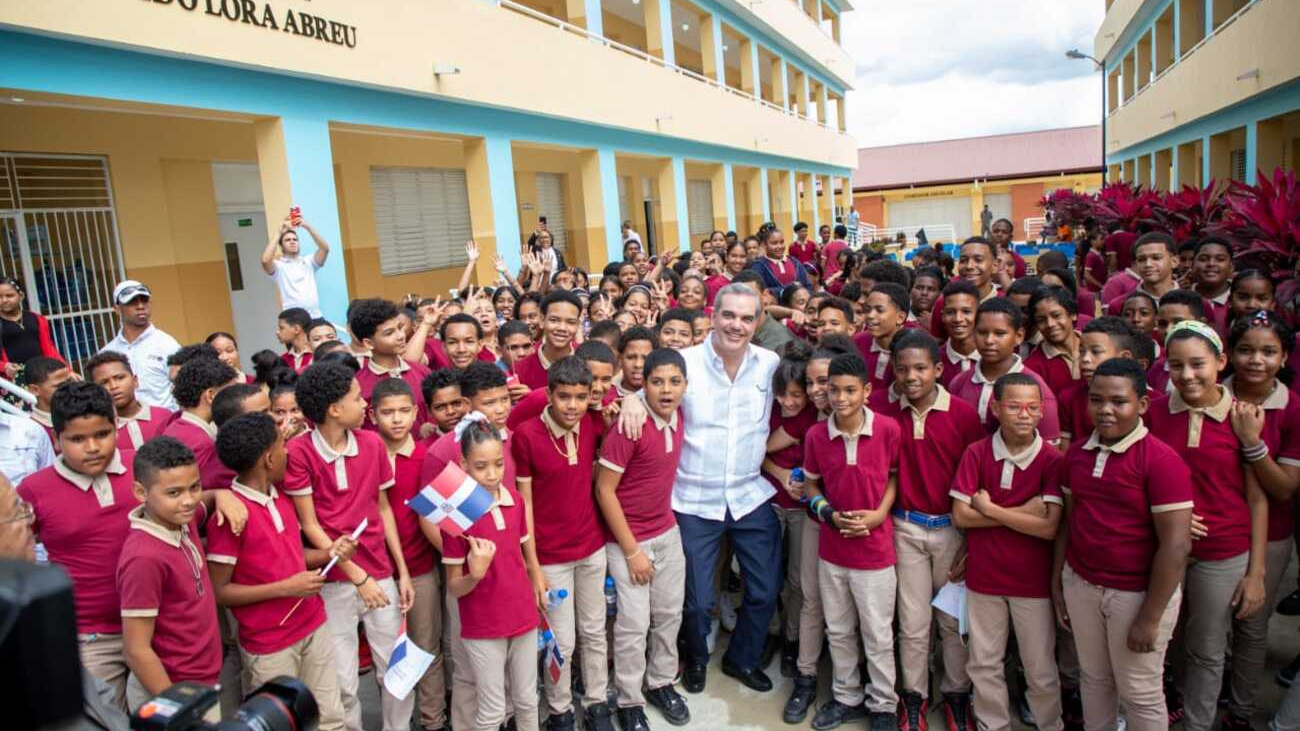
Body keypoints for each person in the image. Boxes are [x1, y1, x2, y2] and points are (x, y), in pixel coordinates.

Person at [620, 282, 782, 695]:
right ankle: (694, 659)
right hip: (692, 500)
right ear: (712, 315)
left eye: (748, 318)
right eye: (729, 315)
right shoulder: (685, 362)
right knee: (692, 602)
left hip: (749, 495)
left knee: (764, 591)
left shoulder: (770, 364)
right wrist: (631, 401)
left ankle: (742, 659)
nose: (737, 325)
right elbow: (645, 393)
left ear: (759, 321)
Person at [1054, 357, 1192, 731]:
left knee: (1139, 692)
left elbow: (1176, 546)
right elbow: (1069, 521)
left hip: (1136, 595)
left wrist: (1149, 618)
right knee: (1094, 681)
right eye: (1096, 400)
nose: (1105, 410)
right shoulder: (1078, 454)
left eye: (1118, 401)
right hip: (1082, 584)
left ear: (1142, 405)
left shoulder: (1162, 461)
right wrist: (1060, 585)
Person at [1148, 321, 1267, 731]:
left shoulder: (1242, 418)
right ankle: (1172, 705)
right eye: (1176, 365)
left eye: (1198, 364)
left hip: (1224, 552)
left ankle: (1199, 723)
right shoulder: (1155, 413)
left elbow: (1257, 497)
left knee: (1207, 647)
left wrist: (1257, 572)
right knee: (1168, 640)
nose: (1187, 375)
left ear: (1220, 362)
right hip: (1165, 549)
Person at [285, 361, 415, 731]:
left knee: (395, 670)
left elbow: (383, 509)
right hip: (333, 582)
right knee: (342, 679)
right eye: (357, 398)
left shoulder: (372, 443)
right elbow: (309, 524)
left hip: (380, 573)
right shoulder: (299, 453)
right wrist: (357, 576)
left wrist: (400, 571)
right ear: (334, 409)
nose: (365, 403)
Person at [208, 412, 352, 731]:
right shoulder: (231, 517)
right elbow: (220, 591)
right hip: (269, 644)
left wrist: (329, 553)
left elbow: (292, 556)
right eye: (282, 446)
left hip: (312, 625)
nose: (288, 452)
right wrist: (287, 587)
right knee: (281, 723)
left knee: (330, 716)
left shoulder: (281, 497)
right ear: (268, 459)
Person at [878, 330, 985, 731]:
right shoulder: (886, 413)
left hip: (952, 531)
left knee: (952, 619)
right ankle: (914, 696)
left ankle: (956, 694)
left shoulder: (962, 414)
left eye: (921, 368)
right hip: (906, 527)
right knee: (912, 620)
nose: (911, 376)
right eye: (902, 369)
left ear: (938, 369)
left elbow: (975, 480)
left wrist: (971, 540)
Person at [19, 381, 142, 709]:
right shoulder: (34, 490)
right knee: (103, 718)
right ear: (57, 440)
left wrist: (219, 497)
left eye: (102, 434)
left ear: (116, 427)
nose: (92, 447)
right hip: (90, 637)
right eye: (77, 439)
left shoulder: (143, 467)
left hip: (154, 624)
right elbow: (16, 557)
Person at [951, 373, 1064, 731]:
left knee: (1040, 667)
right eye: (1014, 406)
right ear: (996, 408)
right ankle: (991, 724)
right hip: (984, 576)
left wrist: (992, 509)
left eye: (1033, 407)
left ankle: (1050, 725)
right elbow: (961, 515)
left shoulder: (1051, 459)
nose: (1024, 414)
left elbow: (1048, 527)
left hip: (1033, 582)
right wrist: (1024, 513)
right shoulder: (977, 452)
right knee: (984, 662)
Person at [798, 352, 900, 731]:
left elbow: (894, 477)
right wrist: (829, 514)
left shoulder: (888, 429)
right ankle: (846, 696)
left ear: (867, 391)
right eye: (834, 390)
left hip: (875, 551)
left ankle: (884, 705)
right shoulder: (816, 434)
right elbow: (811, 485)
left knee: (877, 631)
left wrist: (878, 515)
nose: (840, 398)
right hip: (833, 547)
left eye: (850, 391)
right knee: (838, 629)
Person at [512, 356, 613, 731]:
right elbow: (525, 505)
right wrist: (533, 566)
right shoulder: (526, 436)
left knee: (594, 631)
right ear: (549, 395)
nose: (573, 405)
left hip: (591, 547)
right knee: (561, 642)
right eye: (564, 396)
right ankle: (560, 709)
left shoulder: (591, 423)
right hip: (551, 558)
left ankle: (598, 700)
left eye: (581, 397)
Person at [1221, 311, 1300, 730]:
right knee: (1209, 623)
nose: (1255, 360)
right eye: (1246, 350)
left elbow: (1284, 487)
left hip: (1271, 533)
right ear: (1229, 354)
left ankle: (1241, 709)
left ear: (1284, 358)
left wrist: (1252, 444)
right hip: (1216, 528)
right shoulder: (1211, 395)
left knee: (1252, 624)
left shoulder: (1292, 409)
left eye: (1268, 351)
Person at [443, 416, 541, 731]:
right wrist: (475, 573)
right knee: (491, 710)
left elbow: (526, 558)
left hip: (523, 617)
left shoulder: (515, 501)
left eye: (498, 464)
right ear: (463, 464)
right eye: (481, 466)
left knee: (527, 701)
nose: (492, 474)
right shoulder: (457, 515)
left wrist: (538, 585)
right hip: (483, 625)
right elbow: (455, 587)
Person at [118, 438, 223, 715]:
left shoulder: (181, 520)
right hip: (173, 690)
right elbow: (136, 649)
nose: (189, 500)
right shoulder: (144, 557)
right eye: (174, 493)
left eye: (195, 487)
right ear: (141, 492)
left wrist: (224, 495)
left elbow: (206, 502)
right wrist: (177, 707)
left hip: (203, 681)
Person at [367, 378, 447, 731]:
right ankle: (398, 720)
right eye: (387, 412)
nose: (396, 419)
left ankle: (433, 721)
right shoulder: (367, 455)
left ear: (417, 412)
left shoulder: (430, 454)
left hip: (421, 569)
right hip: (376, 573)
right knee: (386, 656)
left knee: (425, 648)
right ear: (372, 415)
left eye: (404, 411)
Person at [948, 299, 1061, 444]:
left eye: (999, 333)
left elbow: (1049, 454)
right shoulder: (959, 383)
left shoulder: (1037, 389)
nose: (989, 340)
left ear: (1019, 336)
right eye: (982, 332)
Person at [349, 298, 431, 432]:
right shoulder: (359, 385)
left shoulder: (422, 372)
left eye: (400, 328)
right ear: (369, 343)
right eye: (389, 333)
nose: (400, 336)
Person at [101, 279, 181, 411]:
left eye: (144, 300)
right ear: (117, 309)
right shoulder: (108, 352)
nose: (140, 306)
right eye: (131, 302)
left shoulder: (167, 345)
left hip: (165, 425)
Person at [162, 356, 241, 490]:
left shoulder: (177, 428)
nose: (235, 399)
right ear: (211, 395)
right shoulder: (202, 443)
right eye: (230, 393)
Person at [87, 351, 173, 450]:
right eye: (104, 383)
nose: (113, 386)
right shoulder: (97, 431)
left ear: (135, 381)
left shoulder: (165, 417)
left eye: (119, 378)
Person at [261, 213, 330, 316]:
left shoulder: (309, 261)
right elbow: (265, 260)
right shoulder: (279, 266)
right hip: (294, 319)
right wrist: (279, 233)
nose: (292, 242)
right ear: (282, 246)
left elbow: (325, 249)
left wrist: (308, 227)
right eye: (287, 240)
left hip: (315, 316)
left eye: (295, 239)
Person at [853, 283, 909, 405]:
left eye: (879, 310)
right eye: (868, 309)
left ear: (900, 317)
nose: (870, 316)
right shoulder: (858, 342)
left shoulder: (912, 349)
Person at [0, 275, 66, 378]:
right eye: (0, 297)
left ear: (21, 296)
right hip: (12, 381)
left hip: (41, 376)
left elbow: (50, 349)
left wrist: (66, 370)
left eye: (9, 295)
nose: (4, 300)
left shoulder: (37, 319)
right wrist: (4, 367)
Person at [1024, 286, 1083, 398]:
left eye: (1056, 315)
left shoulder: (1097, 347)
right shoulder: (1033, 367)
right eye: (1041, 320)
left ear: (1073, 314)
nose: (1050, 324)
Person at [514, 290, 581, 390]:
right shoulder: (522, 369)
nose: (562, 328)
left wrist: (535, 397)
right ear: (541, 320)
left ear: (577, 325)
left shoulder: (588, 359)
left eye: (570, 322)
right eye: (554, 320)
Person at [23, 355, 74, 447]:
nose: (68, 388)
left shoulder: (81, 414)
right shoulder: (31, 431)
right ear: (35, 390)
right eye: (59, 386)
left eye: (69, 382)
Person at [277, 307, 315, 373]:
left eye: (281, 328)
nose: (277, 332)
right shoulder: (283, 359)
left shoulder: (318, 354)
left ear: (296, 329)